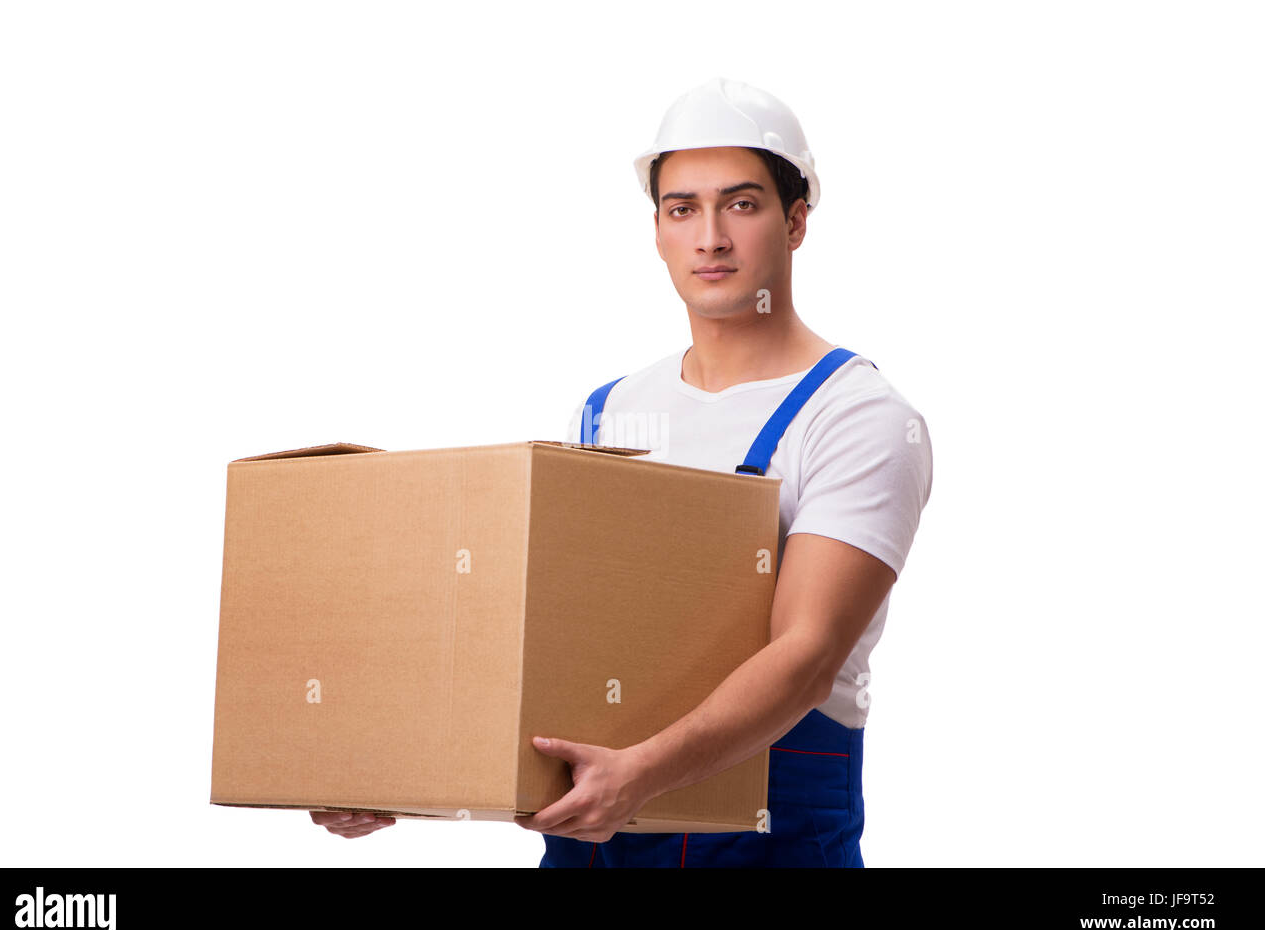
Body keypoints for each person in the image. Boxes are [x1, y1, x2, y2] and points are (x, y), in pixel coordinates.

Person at [310, 77, 932, 865]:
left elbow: (806, 659)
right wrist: (396, 770)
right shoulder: (609, 412)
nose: (710, 237)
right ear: (659, 229)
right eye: (683, 209)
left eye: (741, 204)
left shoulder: (856, 415)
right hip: (592, 834)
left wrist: (641, 774)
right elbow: (540, 642)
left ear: (797, 219)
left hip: (768, 839)